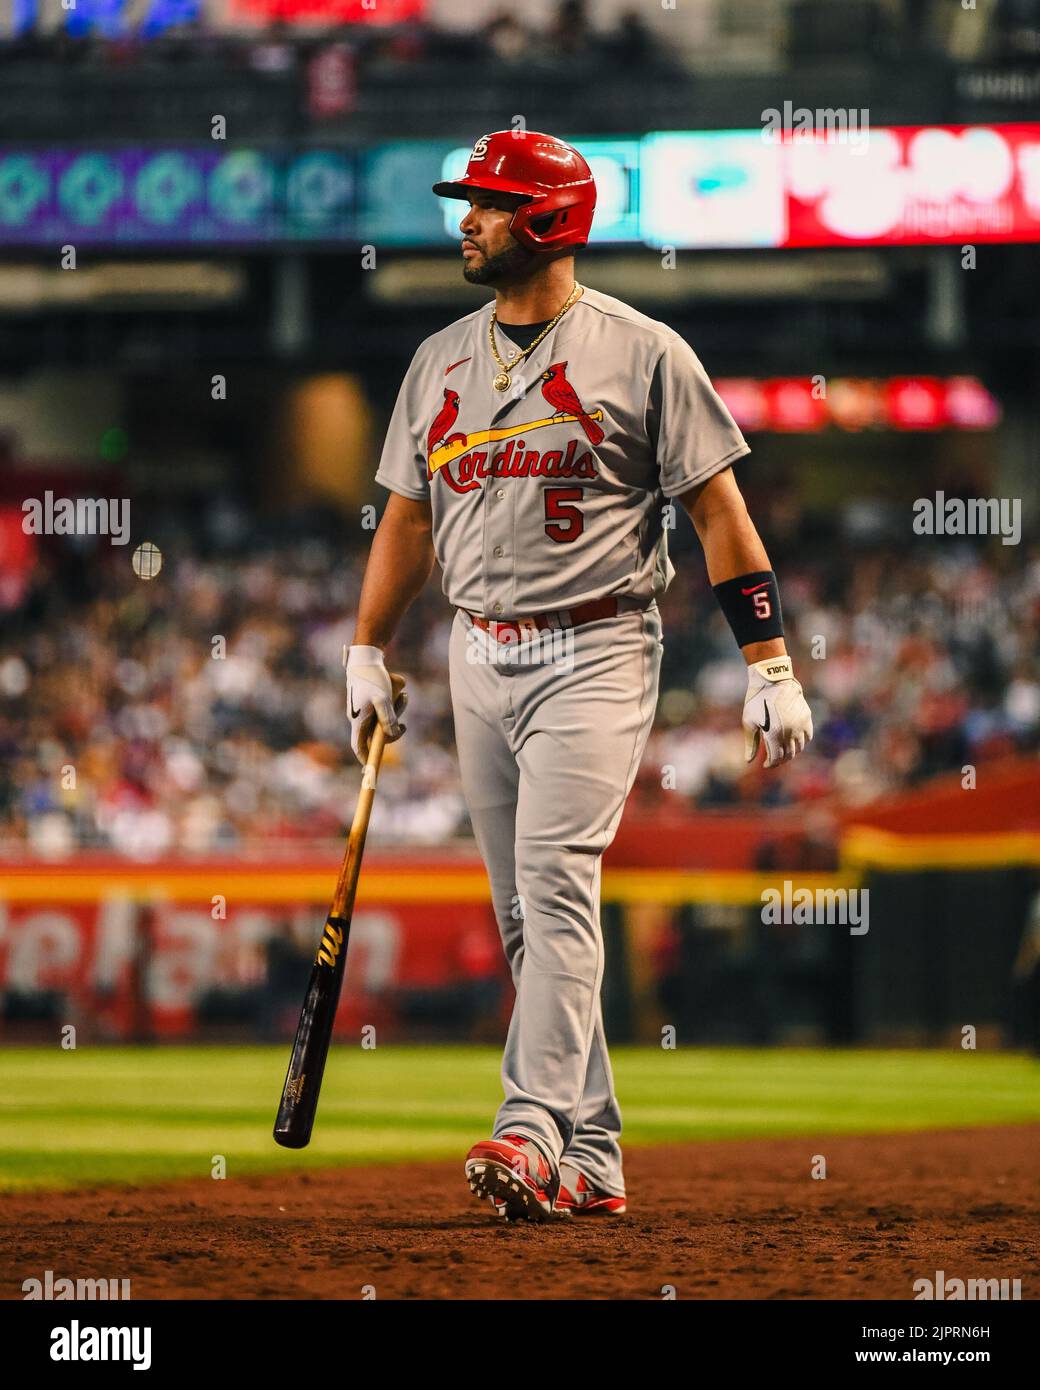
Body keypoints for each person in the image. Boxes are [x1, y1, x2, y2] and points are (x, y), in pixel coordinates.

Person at [345, 130, 813, 1222]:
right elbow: (406, 522)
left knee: (555, 884)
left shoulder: (644, 350)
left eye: (489, 204)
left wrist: (769, 661)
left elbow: (718, 513)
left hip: (597, 643)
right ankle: (592, 1156)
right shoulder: (437, 360)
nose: (465, 219)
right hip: (477, 649)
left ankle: (530, 1127)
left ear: (548, 220)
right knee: (524, 915)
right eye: (468, 202)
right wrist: (368, 646)